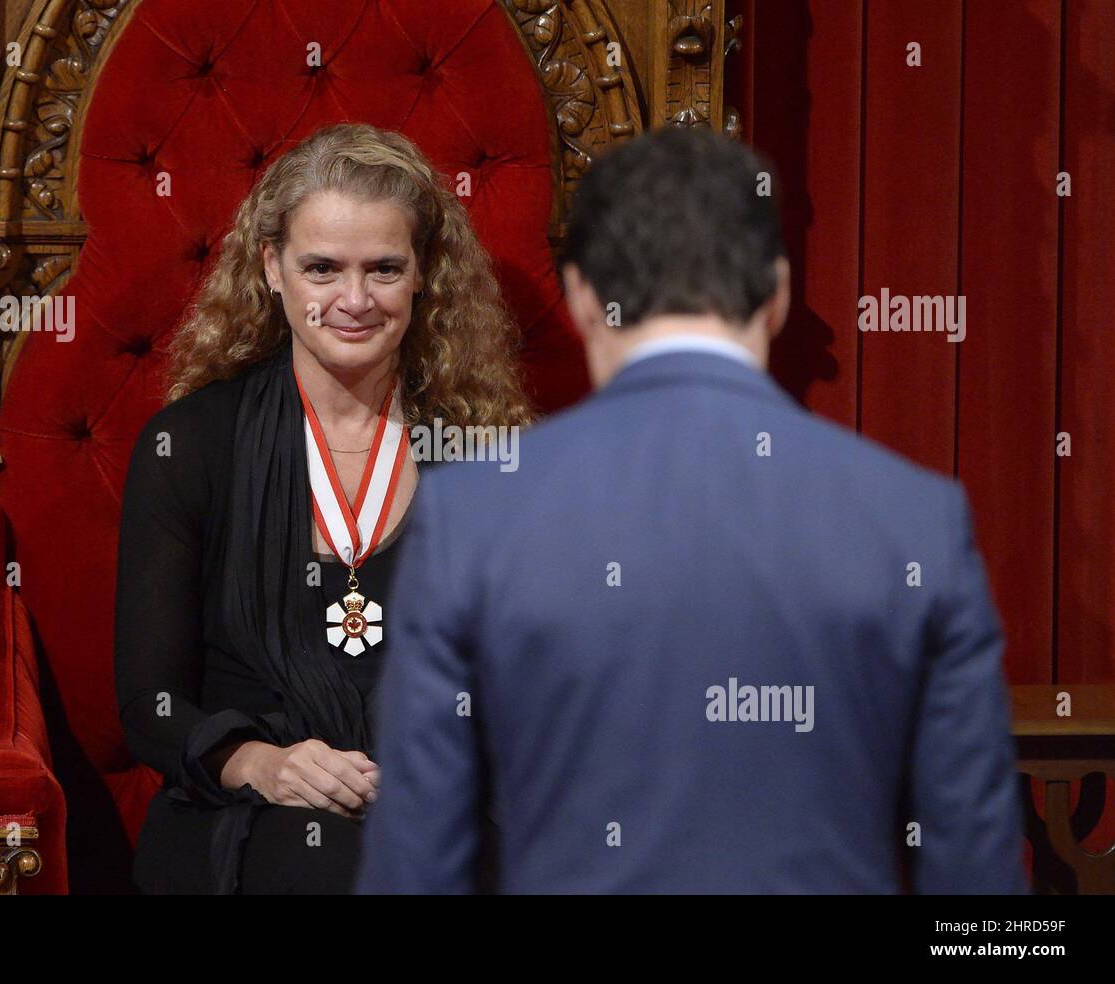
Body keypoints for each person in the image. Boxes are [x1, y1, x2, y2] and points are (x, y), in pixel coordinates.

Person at [356, 126, 1027, 893]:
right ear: (777, 294)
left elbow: (417, 861)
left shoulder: (473, 513)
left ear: (580, 297)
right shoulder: (917, 519)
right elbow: (978, 879)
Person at [113, 122, 531, 893]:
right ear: (272, 268)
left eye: (383, 269)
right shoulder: (188, 446)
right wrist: (262, 765)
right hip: (243, 811)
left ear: (422, 276)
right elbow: (151, 702)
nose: (354, 300)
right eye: (322, 268)